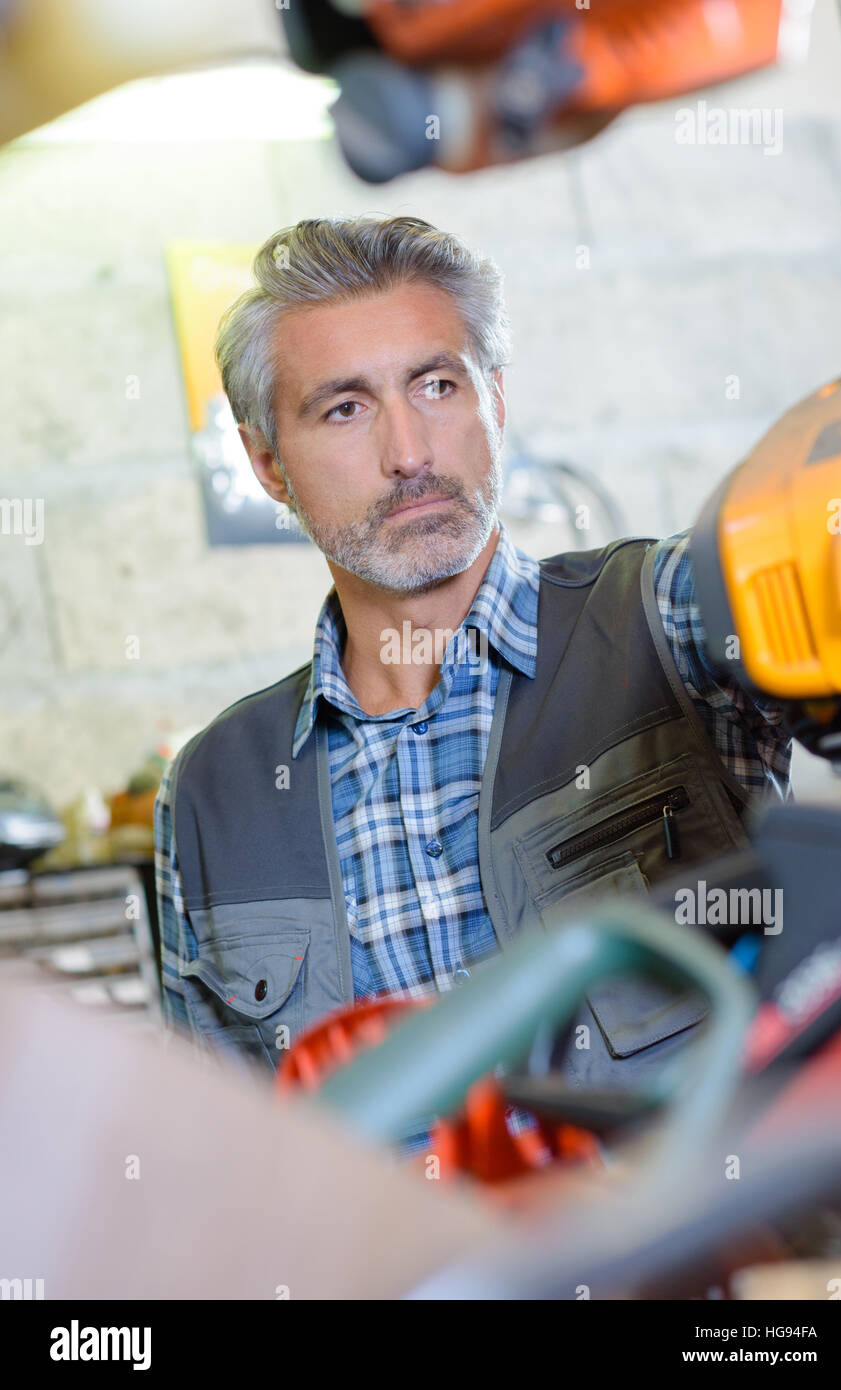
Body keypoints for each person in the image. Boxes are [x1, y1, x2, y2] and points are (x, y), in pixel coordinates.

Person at [154, 214, 791, 1145]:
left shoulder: (667, 615)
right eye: (345, 408)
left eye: (437, 385)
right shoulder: (215, 791)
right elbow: (219, 1168)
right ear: (266, 465)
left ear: (494, 398)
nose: (409, 452)